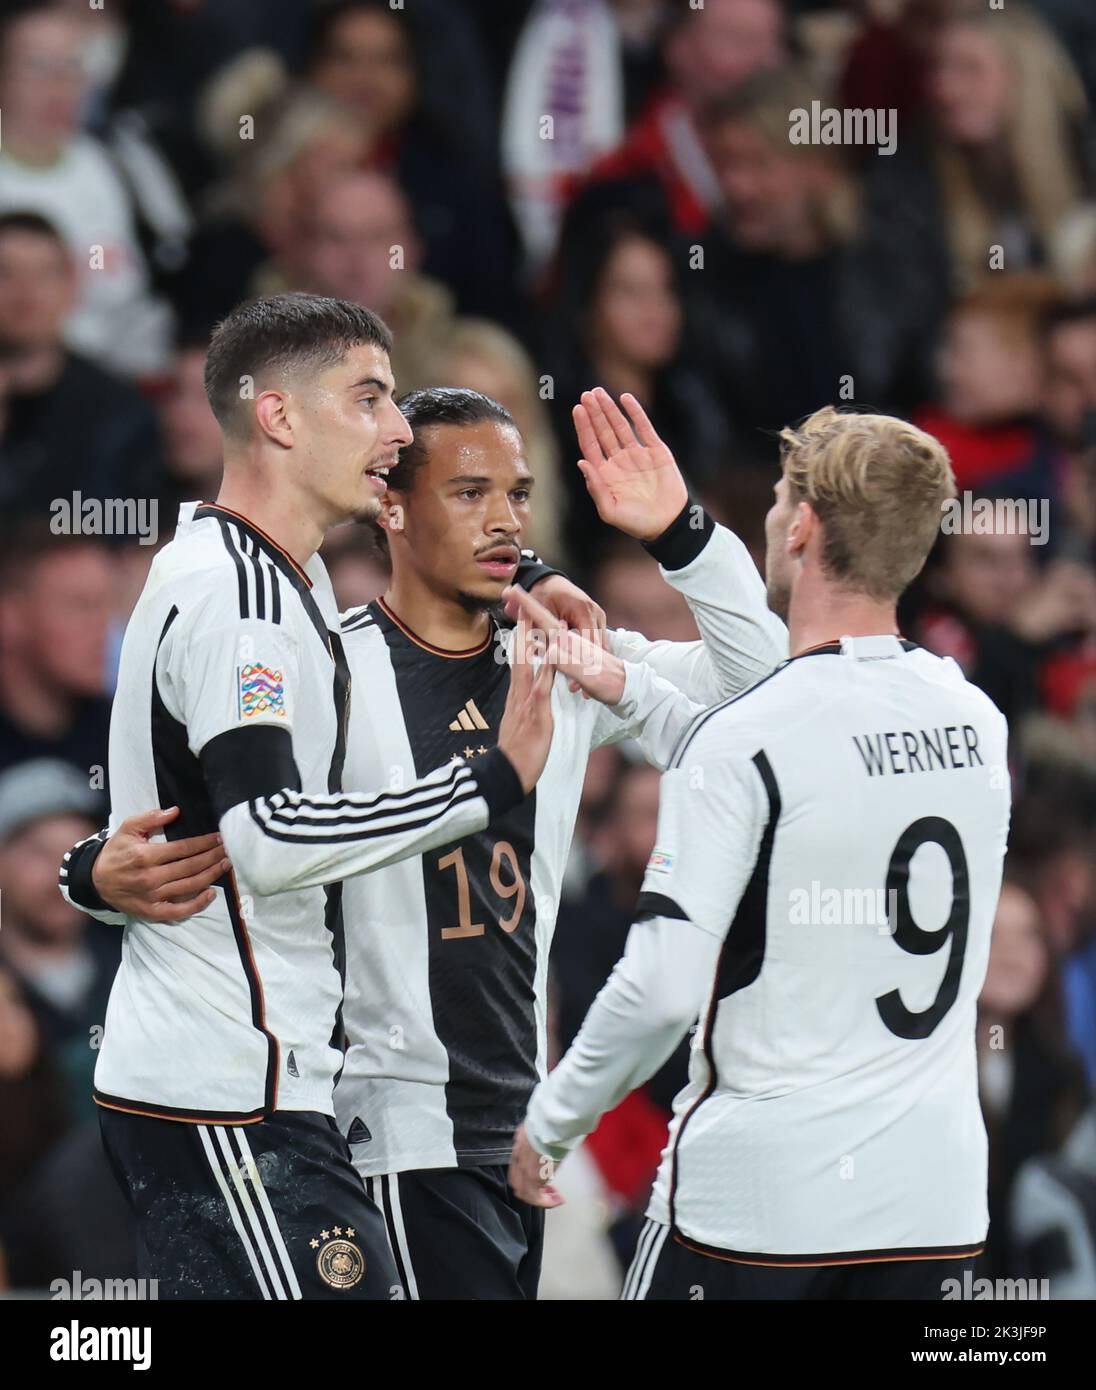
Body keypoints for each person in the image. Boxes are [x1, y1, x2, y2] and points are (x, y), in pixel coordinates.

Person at [66, 384, 789, 1299]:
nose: (504, 522)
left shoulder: (557, 663)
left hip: (521, 1128)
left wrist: (682, 534)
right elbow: (226, 820)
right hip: (391, 1134)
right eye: (469, 492)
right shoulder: (329, 666)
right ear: (391, 508)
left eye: (519, 497)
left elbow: (766, 690)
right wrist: (90, 870)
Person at [55, 292, 562, 1301]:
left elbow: (179, 798)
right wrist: (489, 781)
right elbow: (269, 835)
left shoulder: (270, 576)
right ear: (278, 416)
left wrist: (94, 870)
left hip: (250, 1086)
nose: (398, 428)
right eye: (369, 397)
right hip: (225, 1092)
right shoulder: (245, 605)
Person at [510, 404, 1013, 1300]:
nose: (773, 517)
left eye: (780, 500)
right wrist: (630, 688)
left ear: (805, 526)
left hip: (757, 1213)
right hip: (932, 1210)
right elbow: (799, 765)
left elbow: (662, 988)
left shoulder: (749, 738)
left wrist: (550, 1122)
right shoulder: (973, 718)